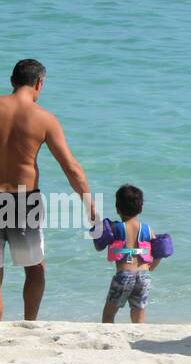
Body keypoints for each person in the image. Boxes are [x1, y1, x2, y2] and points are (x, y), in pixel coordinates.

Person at [0, 59, 98, 320]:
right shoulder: (44, 118)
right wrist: (90, 206)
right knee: (34, 268)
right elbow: (72, 169)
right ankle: (30, 324)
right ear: (39, 83)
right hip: (24, 201)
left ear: (12, 81)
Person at [102, 184, 162, 324]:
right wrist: (151, 267)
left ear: (117, 208)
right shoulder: (148, 230)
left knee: (108, 314)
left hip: (124, 276)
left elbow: (99, 244)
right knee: (138, 315)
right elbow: (159, 252)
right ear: (140, 208)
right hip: (144, 276)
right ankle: (138, 336)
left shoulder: (116, 228)